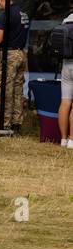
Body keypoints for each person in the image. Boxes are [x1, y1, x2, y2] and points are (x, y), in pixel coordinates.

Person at [0, 0, 30, 133]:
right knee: (17, 90)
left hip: (9, 55)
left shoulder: (5, 14)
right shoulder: (22, 13)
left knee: (5, 90)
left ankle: (4, 125)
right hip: (21, 54)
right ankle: (16, 123)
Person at [58, 11, 73, 149]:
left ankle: (63, 139)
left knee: (65, 102)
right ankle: (72, 140)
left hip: (66, 65)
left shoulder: (67, 19)